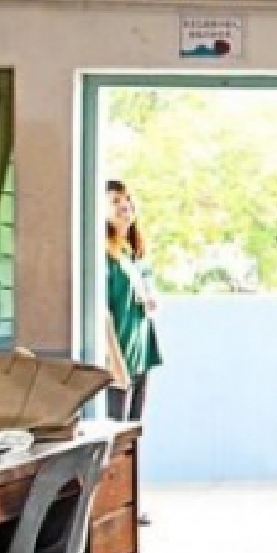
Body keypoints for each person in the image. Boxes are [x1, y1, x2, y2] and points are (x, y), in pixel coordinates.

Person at [103, 179, 162, 423]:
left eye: (127, 200)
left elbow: (147, 299)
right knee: (117, 442)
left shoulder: (132, 254)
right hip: (119, 361)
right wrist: (116, 365)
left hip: (140, 357)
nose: (124, 205)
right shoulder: (102, 255)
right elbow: (101, 312)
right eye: (115, 201)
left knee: (134, 437)